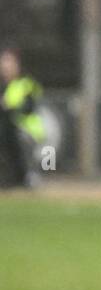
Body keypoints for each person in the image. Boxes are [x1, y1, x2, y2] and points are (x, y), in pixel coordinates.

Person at [0, 47, 44, 186]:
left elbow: (30, 107)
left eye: (9, 61)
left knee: (21, 138)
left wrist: (10, 107)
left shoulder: (26, 84)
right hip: (7, 129)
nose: (5, 66)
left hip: (27, 130)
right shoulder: (2, 86)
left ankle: (31, 175)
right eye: (3, 62)